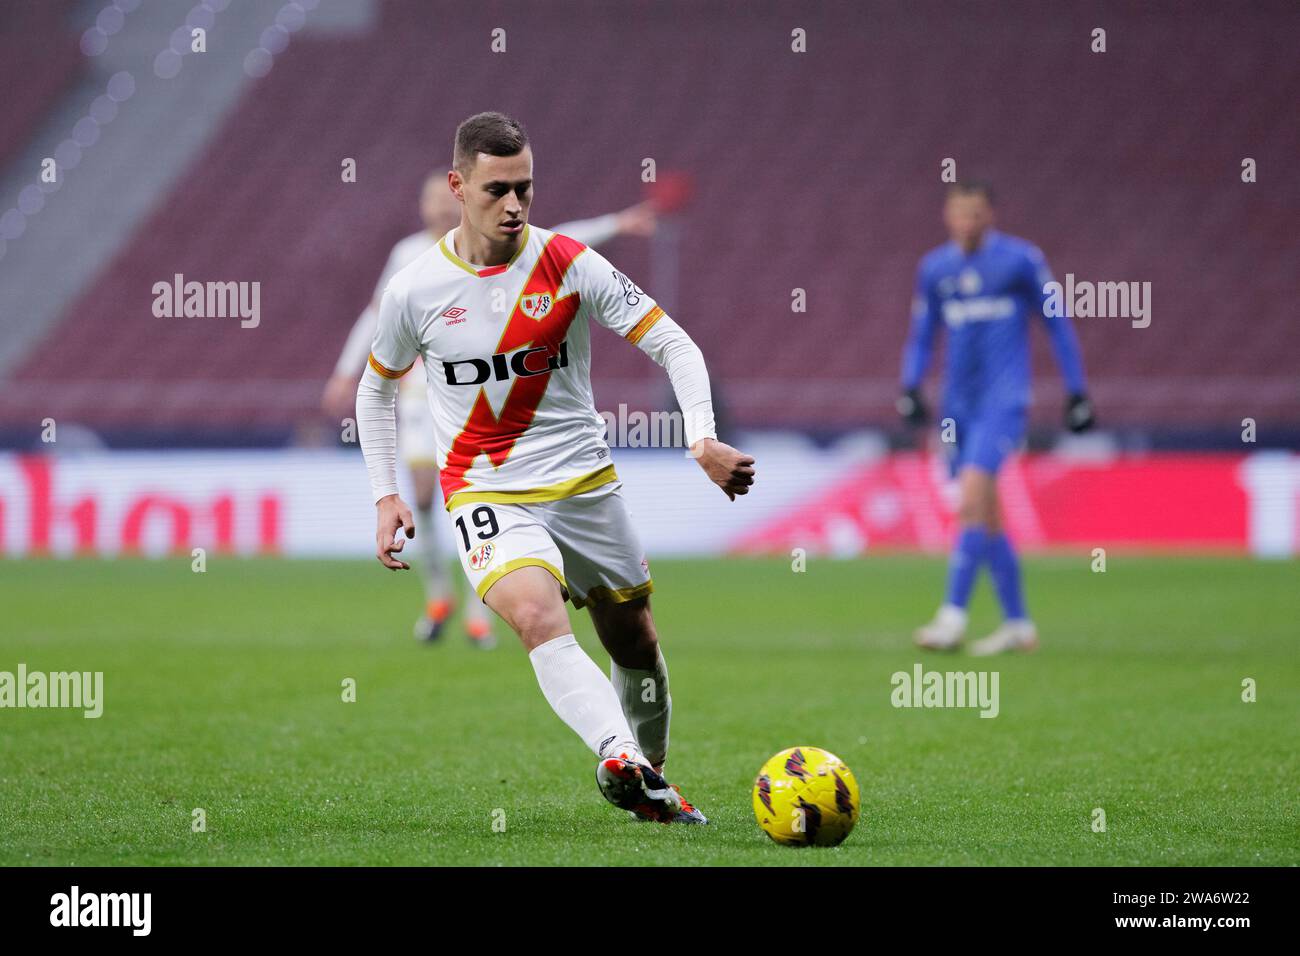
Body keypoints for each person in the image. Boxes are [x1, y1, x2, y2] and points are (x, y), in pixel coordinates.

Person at [355, 112, 755, 822]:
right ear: (458, 186)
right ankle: (617, 753)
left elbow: (675, 345)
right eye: (496, 189)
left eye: (525, 189)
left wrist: (702, 439)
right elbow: (376, 385)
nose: (513, 205)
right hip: (483, 487)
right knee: (536, 615)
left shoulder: (569, 263)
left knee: (634, 638)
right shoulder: (415, 289)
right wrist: (387, 493)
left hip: (583, 487)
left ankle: (651, 778)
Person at [324, 172, 658, 647]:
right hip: (421, 398)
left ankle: (481, 606)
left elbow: (563, 242)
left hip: (478, 407)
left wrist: (616, 223)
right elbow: (377, 315)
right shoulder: (408, 257)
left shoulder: (500, 246)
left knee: (471, 498)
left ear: (460, 197)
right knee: (422, 498)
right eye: (430, 199)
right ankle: (439, 595)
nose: (438, 207)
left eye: (444, 198)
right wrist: (345, 370)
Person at [898, 181, 1094, 655]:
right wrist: (910, 385)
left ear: (991, 216)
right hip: (956, 407)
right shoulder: (935, 269)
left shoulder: (1021, 261)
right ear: (948, 216)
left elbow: (1056, 322)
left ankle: (951, 619)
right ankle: (1018, 624)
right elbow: (923, 334)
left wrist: (1077, 390)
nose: (967, 223)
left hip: (1003, 402)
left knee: (971, 496)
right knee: (986, 514)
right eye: (959, 214)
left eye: (976, 214)